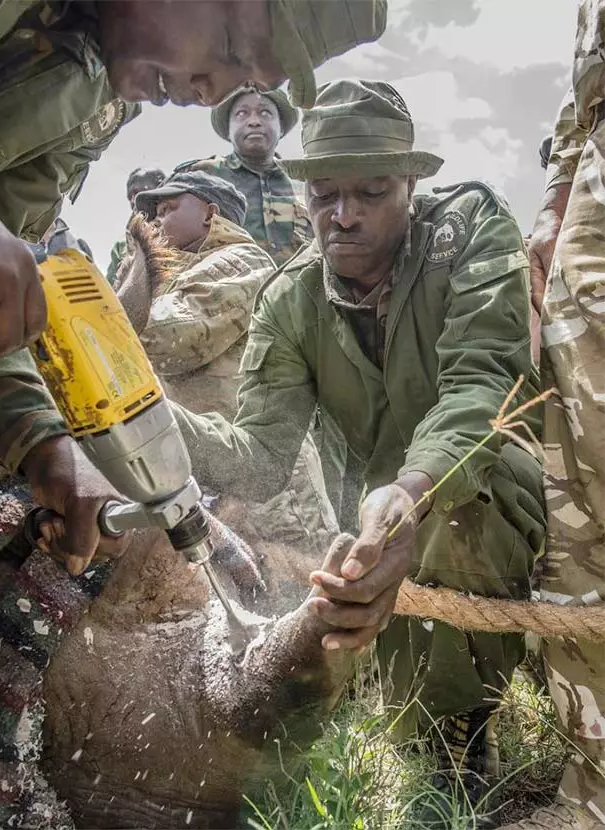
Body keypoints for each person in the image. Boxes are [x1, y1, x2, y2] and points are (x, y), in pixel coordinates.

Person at [166, 80, 546, 823]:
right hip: (375, 515)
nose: (341, 216)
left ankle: (458, 743)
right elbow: (261, 453)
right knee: (385, 651)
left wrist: (408, 489)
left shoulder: (466, 228)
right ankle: (419, 713)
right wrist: (154, 423)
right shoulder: (289, 297)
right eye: (324, 196)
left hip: (488, 481)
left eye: (370, 192)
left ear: (411, 184)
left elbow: (482, 387)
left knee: (456, 514)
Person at [0, 0, 387, 576]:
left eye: (245, 79)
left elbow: (142, 343)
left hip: (267, 493)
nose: (211, 92)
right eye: (228, 44)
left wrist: (43, 442)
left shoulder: (103, 90)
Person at [500, 2, 605, 828]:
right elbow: (582, 106)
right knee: (577, 530)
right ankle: (593, 789)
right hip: (588, 229)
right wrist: (554, 206)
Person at [116, 170, 337, 562]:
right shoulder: (177, 274)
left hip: (273, 497)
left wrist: (132, 283)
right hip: (216, 477)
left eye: (168, 208)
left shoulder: (240, 260)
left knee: (301, 592)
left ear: (210, 214)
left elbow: (165, 339)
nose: (156, 221)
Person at [180, 87, 312, 267]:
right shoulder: (200, 176)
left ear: (281, 128)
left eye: (265, 113)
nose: (254, 121)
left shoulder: (305, 183)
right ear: (228, 130)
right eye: (242, 113)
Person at [106, 167, 165, 286]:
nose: (134, 201)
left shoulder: (178, 230)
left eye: (139, 193)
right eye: (131, 196)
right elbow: (110, 288)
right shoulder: (121, 246)